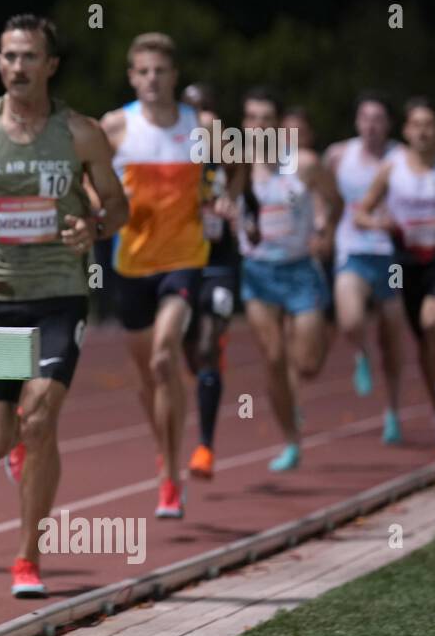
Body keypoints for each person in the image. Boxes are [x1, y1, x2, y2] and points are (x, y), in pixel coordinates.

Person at [0, 14, 129, 597]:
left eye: (30, 57)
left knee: (39, 420)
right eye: (9, 56)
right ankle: (15, 447)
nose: (18, 67)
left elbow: (118, 206)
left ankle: (27, 557)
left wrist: (93, 225)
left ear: (50, 65)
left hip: (60, 295)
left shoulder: (81, 133)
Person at [102, 34, 234, 517]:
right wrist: (96, 206)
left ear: (174, 76)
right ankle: (166, 451)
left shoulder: (203, 126)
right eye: (143, 71)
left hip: (184, 261)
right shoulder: (115, 127)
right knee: (146, 376)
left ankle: (171, 476)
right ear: (132, 76)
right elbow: (87, 179)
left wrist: (222, 195)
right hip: (131, 264)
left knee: (163, 359)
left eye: (161, 70)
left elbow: (234, 165)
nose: (153, 79)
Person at [237, 88, 343, 471]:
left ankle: (303, 381)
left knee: (308, 362)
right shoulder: (234, 165)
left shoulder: (305, 164)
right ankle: (291, 440)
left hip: (300, 271)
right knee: (273, 357)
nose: (258, 125)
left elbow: (336, 200)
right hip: (259, 273)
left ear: (279, 125)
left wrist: (326, 231)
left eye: (267, 118)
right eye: (252, 118)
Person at [353, 98, 435, 450]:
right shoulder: (393, 169)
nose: (423, 131)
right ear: (406, 131)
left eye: (429, 124)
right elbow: (361, 213)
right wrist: (381, 222)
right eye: (416, 125)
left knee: (433, 319)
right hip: (403, 262)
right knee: (423, 344)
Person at [323, 93, 404, 442]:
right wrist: (320, 225)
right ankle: (361, 352)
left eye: (378, 119)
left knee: (393, 333)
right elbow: (323, 196)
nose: (371, 126)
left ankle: (393, 411)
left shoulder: (401, 157)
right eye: (365, 118)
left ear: (388, 124)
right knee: (351, 319)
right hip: (352, 250)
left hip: (391, 257)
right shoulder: (339, 155)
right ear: (357, 122)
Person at [180, 82, 238, 480]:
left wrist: (233, 201)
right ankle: (206, 365)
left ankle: (205, 445)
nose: (203, 118)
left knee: (206, 348)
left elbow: (247, 168)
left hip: (219, 263)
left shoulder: (225, 157)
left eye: (208, 111)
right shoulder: (165, 158)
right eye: (194, 111)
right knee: (188, 354)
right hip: (178, 263)